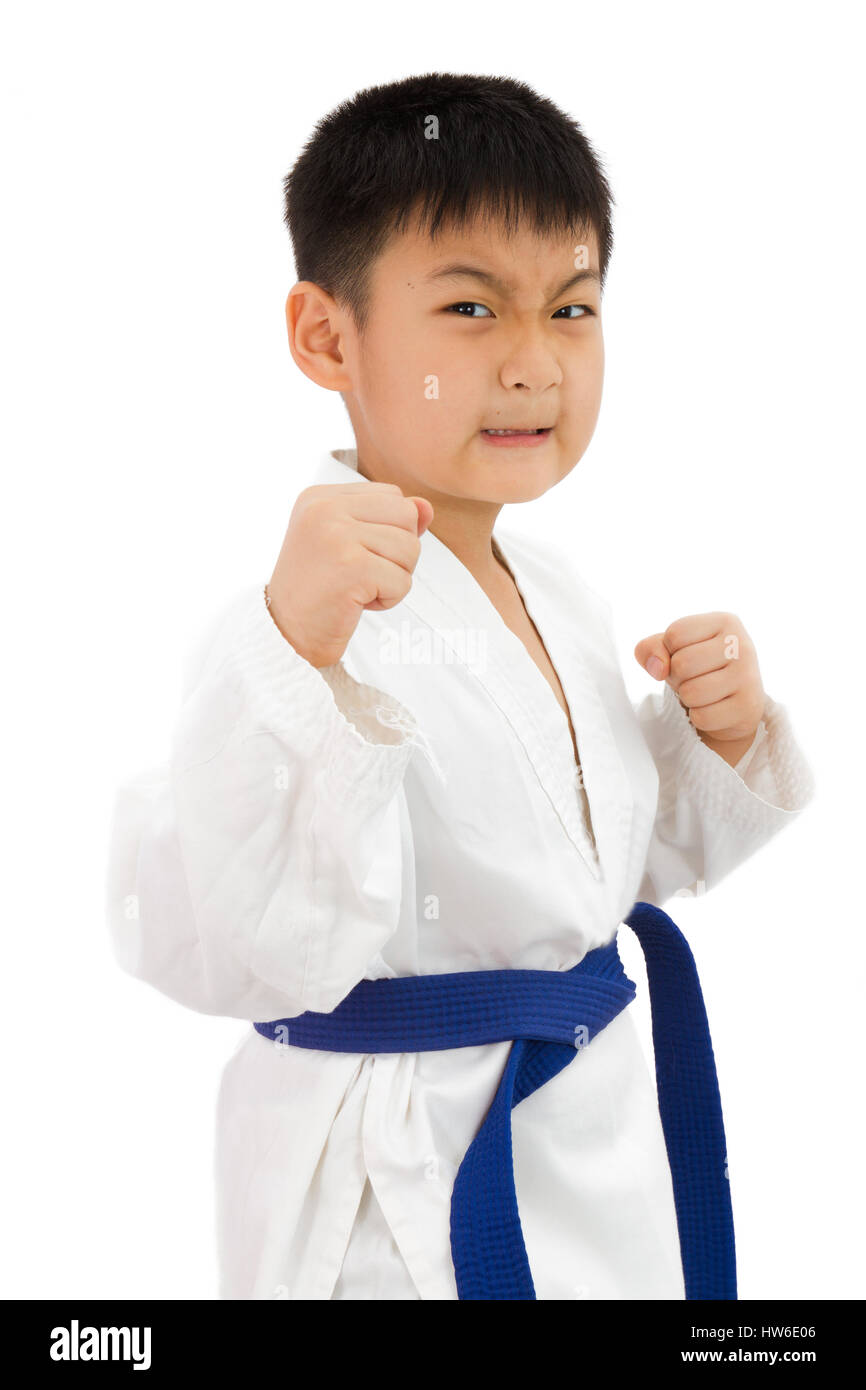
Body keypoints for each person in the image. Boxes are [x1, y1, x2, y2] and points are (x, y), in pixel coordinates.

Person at [105, 72, 816, 1300]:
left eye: (572, 307)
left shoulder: (558, 590)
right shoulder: (294, 621)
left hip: (585, 1133)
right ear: (329, 336)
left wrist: (710, 736)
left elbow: (572, 874)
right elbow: (235, 933)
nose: (534, 364)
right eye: (472, 308)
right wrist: (293, 651)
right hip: (404, 1179)